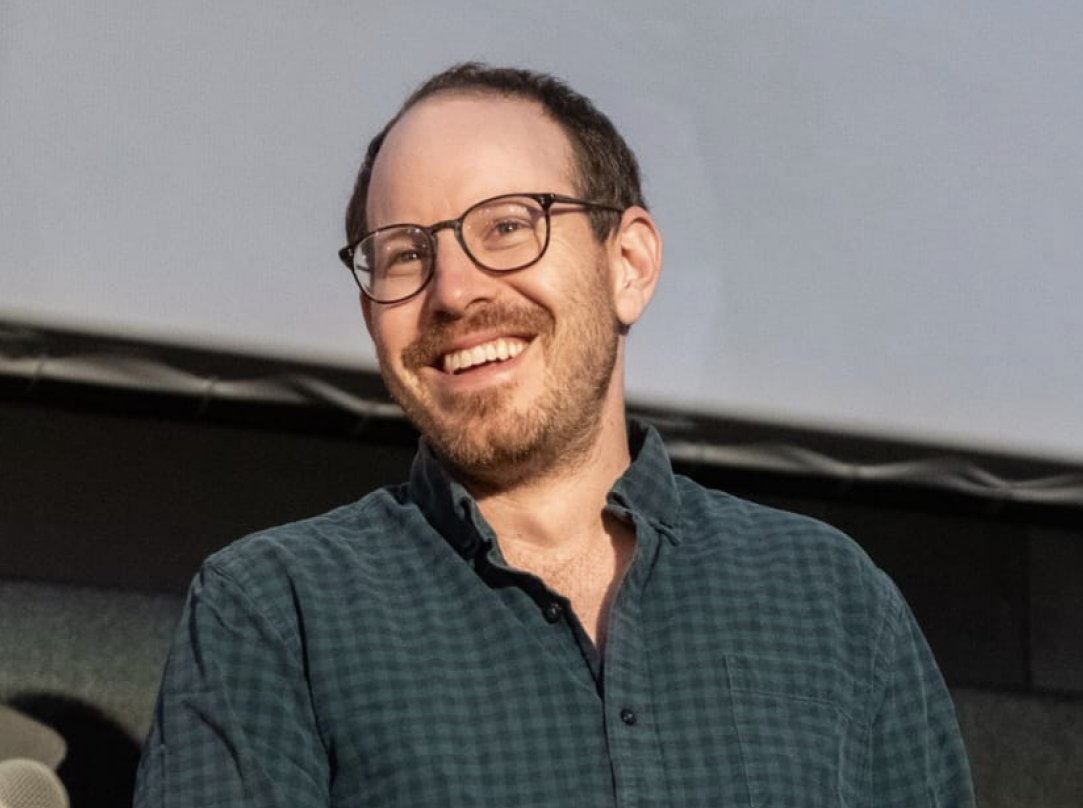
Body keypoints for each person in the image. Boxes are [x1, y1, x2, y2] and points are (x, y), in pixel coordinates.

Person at [134, 63, 974, 807]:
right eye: (404, 255)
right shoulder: (278, 613)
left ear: (628, 265)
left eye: (506, 226)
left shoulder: (829, 602)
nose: (453, 291)